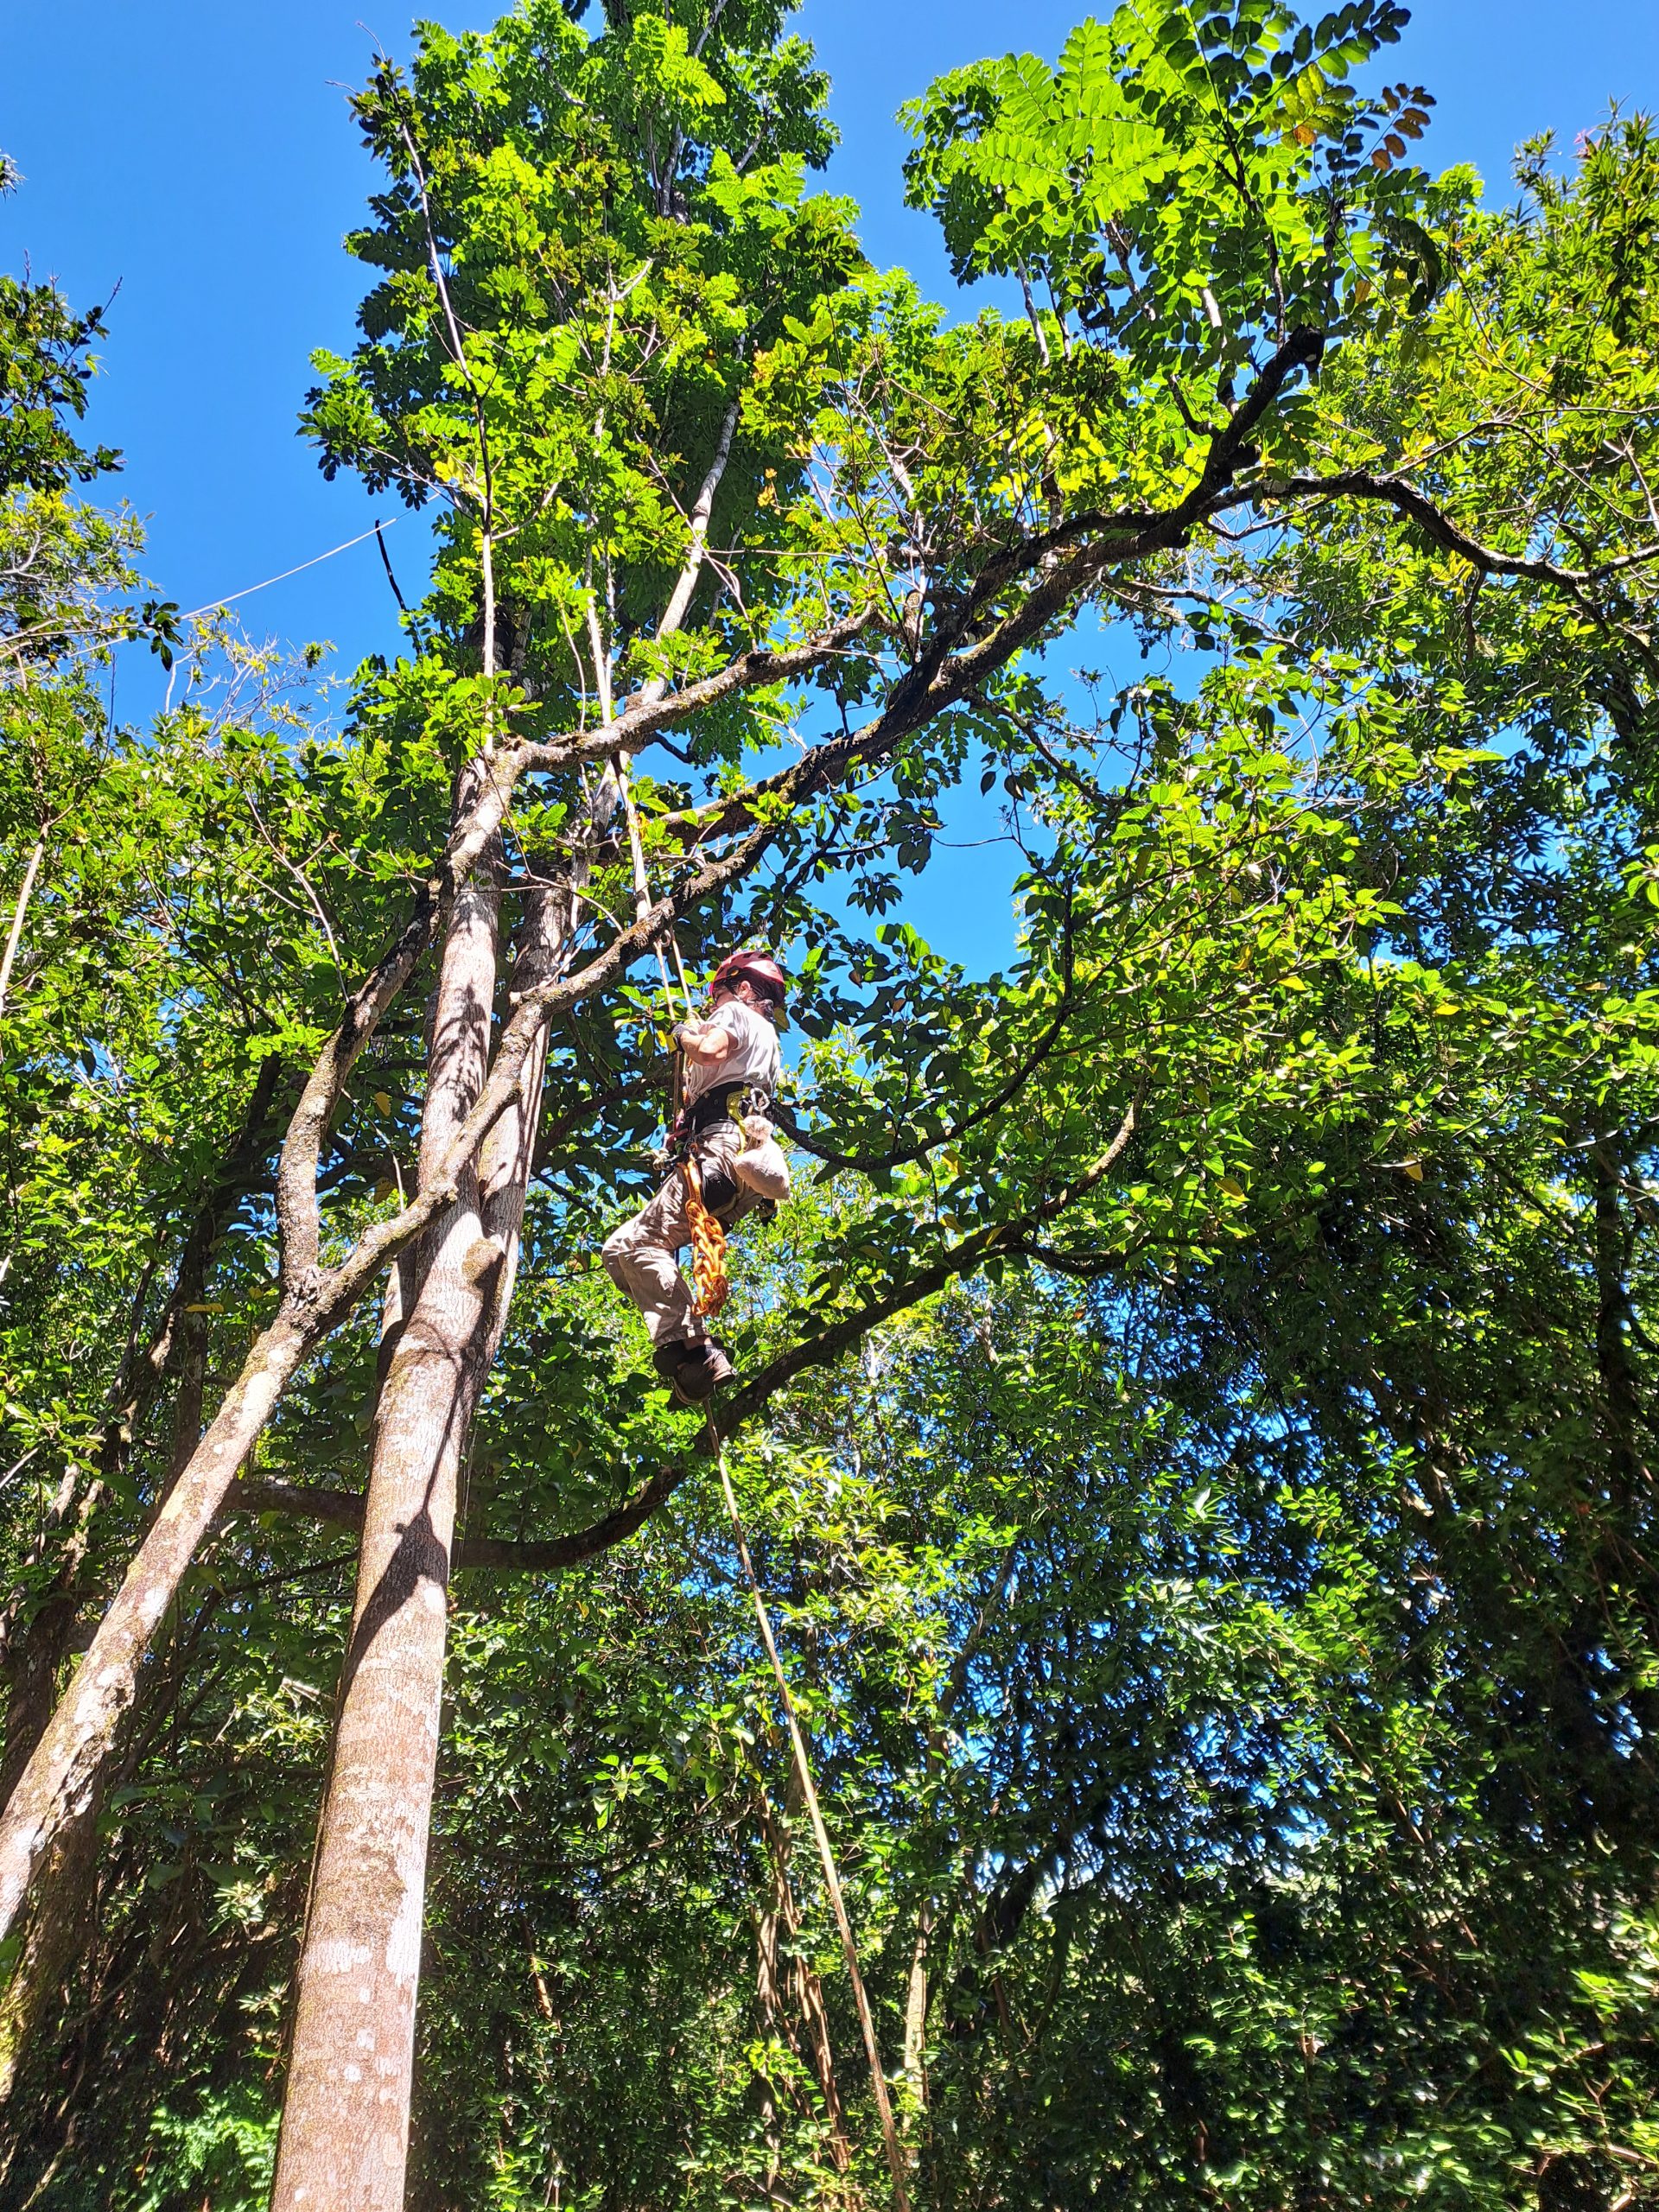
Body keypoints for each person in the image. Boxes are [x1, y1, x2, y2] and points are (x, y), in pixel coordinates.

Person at [601, 949, 788, 1404]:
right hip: (736, 1162)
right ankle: (684, 1350)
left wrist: (684, 1033)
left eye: (719, 994)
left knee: (637, 1245)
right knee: (616, 1250)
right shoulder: (770, 1047)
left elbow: (709, 1050)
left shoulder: (735, 1013)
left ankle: (696, 1347)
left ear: (742, 989)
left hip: (720, 1151)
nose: (712, 1007)